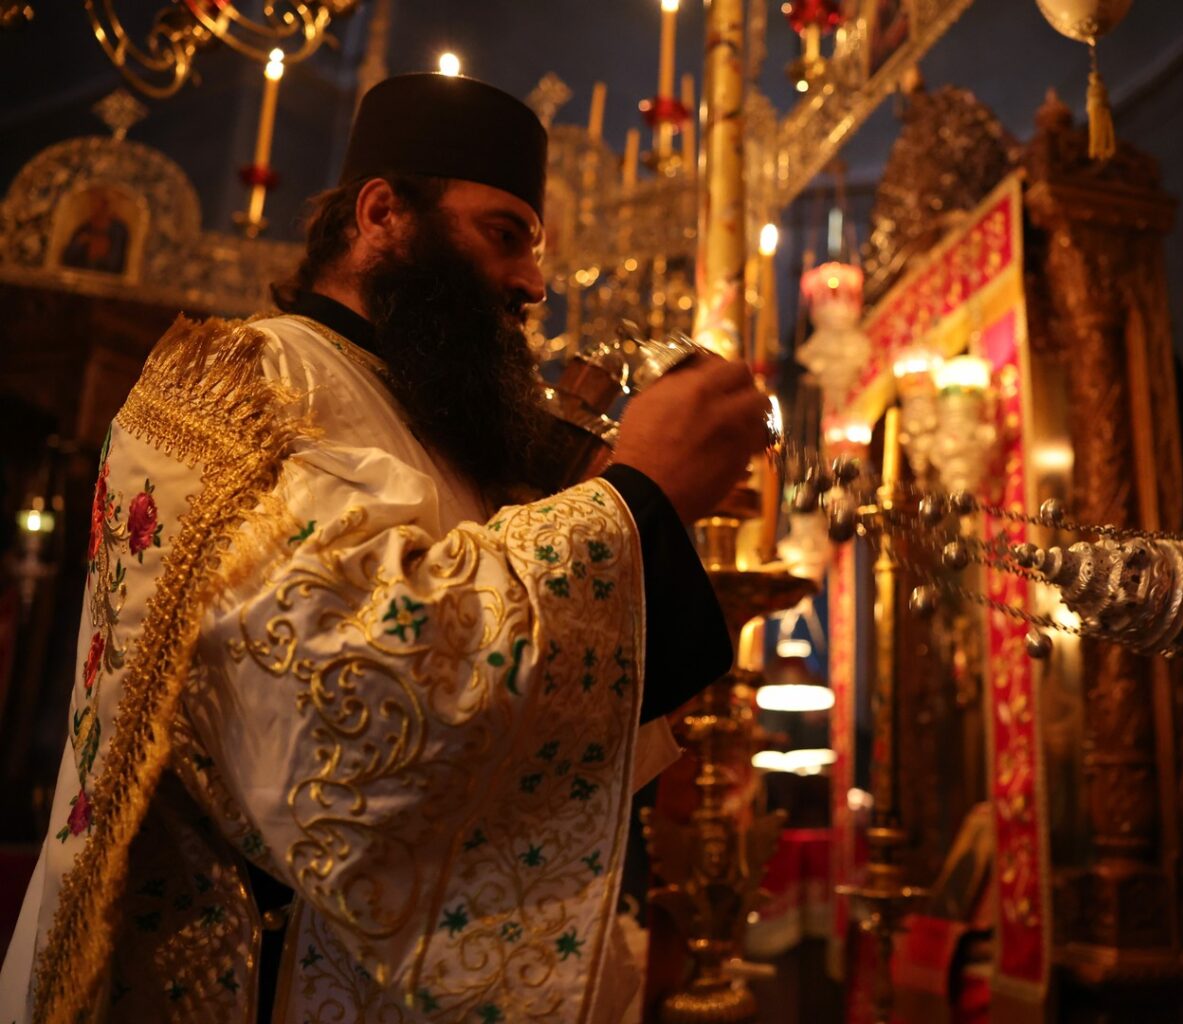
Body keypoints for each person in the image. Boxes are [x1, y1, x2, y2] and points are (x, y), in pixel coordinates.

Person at [0, 73, 769, 1024]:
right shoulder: (234, 383)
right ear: (382, 214)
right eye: (505, 234)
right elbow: (350, 680)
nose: (535, 283)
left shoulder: (436, 419)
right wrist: (636, 501)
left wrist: (611, 496)